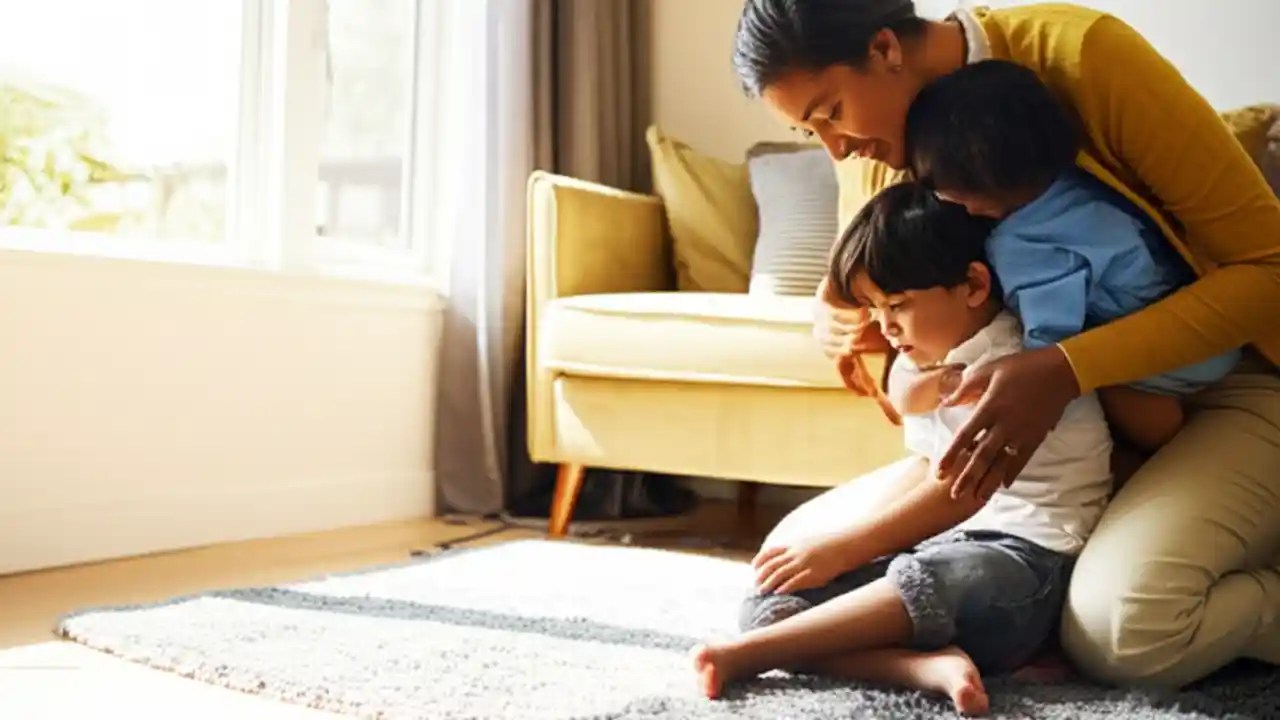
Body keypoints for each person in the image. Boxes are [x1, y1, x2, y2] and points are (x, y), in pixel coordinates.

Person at [731, 0, 1280, 689]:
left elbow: (1270, 268)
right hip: (1048, 438)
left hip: (1224, 385)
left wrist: (1068, 368)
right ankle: (1045, 598)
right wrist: (840, 319)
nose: (835, 148)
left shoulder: (1086, 57)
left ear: (884, 49)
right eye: (808, 130)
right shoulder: (874, 152)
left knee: (1127, 632)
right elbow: (884, 336)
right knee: (787, 566)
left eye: (831, 112)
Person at [692, 183, 1113, 716]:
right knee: (772, 605)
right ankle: (920, 667)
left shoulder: (1016, 365)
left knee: (935, 580)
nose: (886, 327)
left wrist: (845, 548)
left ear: (974, 285)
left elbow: (961, 493)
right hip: (940, 540)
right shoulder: (934, 351)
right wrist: (928, 384)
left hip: (1029, 556)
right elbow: (904, 392)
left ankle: (750, 655)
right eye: (874, 308)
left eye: (898, 305)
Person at [902, 59, 1241, 466]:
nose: (945, 201)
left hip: (1174, 360)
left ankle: (1161, 450)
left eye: (946, 191)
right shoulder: (1080, 182)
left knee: (1110, 389)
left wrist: (1021, 383)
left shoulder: (1021, 244)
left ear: (977, 182)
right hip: (1207, 329)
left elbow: (1050, 346)